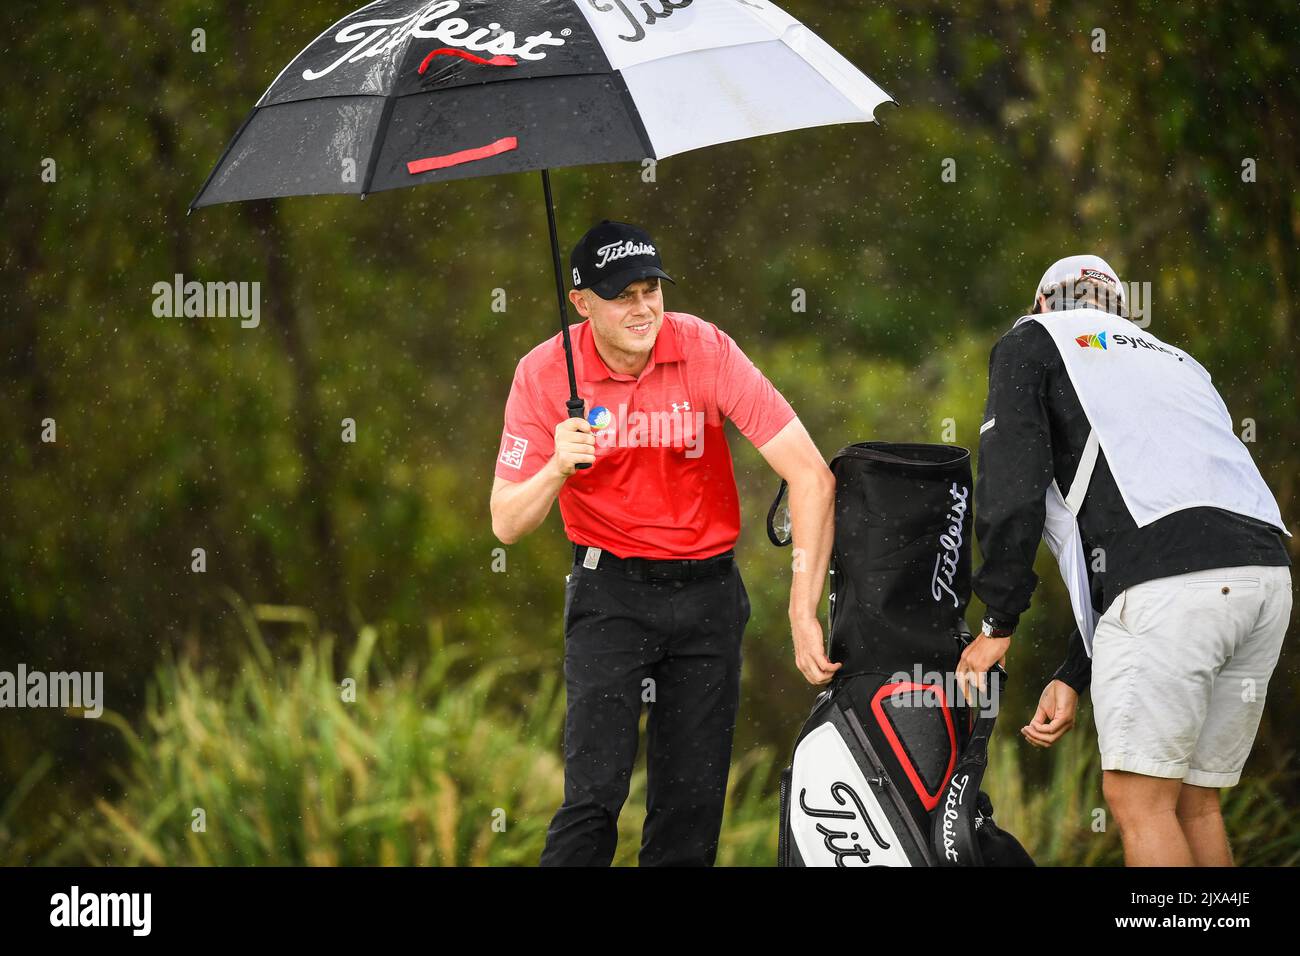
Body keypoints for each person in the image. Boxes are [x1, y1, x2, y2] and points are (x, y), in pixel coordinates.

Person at [490, 220, 837, 866]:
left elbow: (812, 477)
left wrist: (800, 612)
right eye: (622, 294)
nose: (643, 307)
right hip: (608, 597)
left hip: (706, 599)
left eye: (651, 289)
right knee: (593, 800)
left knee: (690, 814)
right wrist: (556, 467)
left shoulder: (703, 349)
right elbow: (506, 522)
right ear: (582, 302)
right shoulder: (543, 374)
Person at [959, 254, 1292, 866]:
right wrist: (1072, 674)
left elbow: (1012, 492)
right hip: (1265, 575)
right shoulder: (1176, 360)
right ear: (1118, 310)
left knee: (1140, 802)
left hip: (1175, 589)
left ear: (1040, 306)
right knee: (1195, 802)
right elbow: (1154, 525)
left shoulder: (1033, 340)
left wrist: (996, 622)